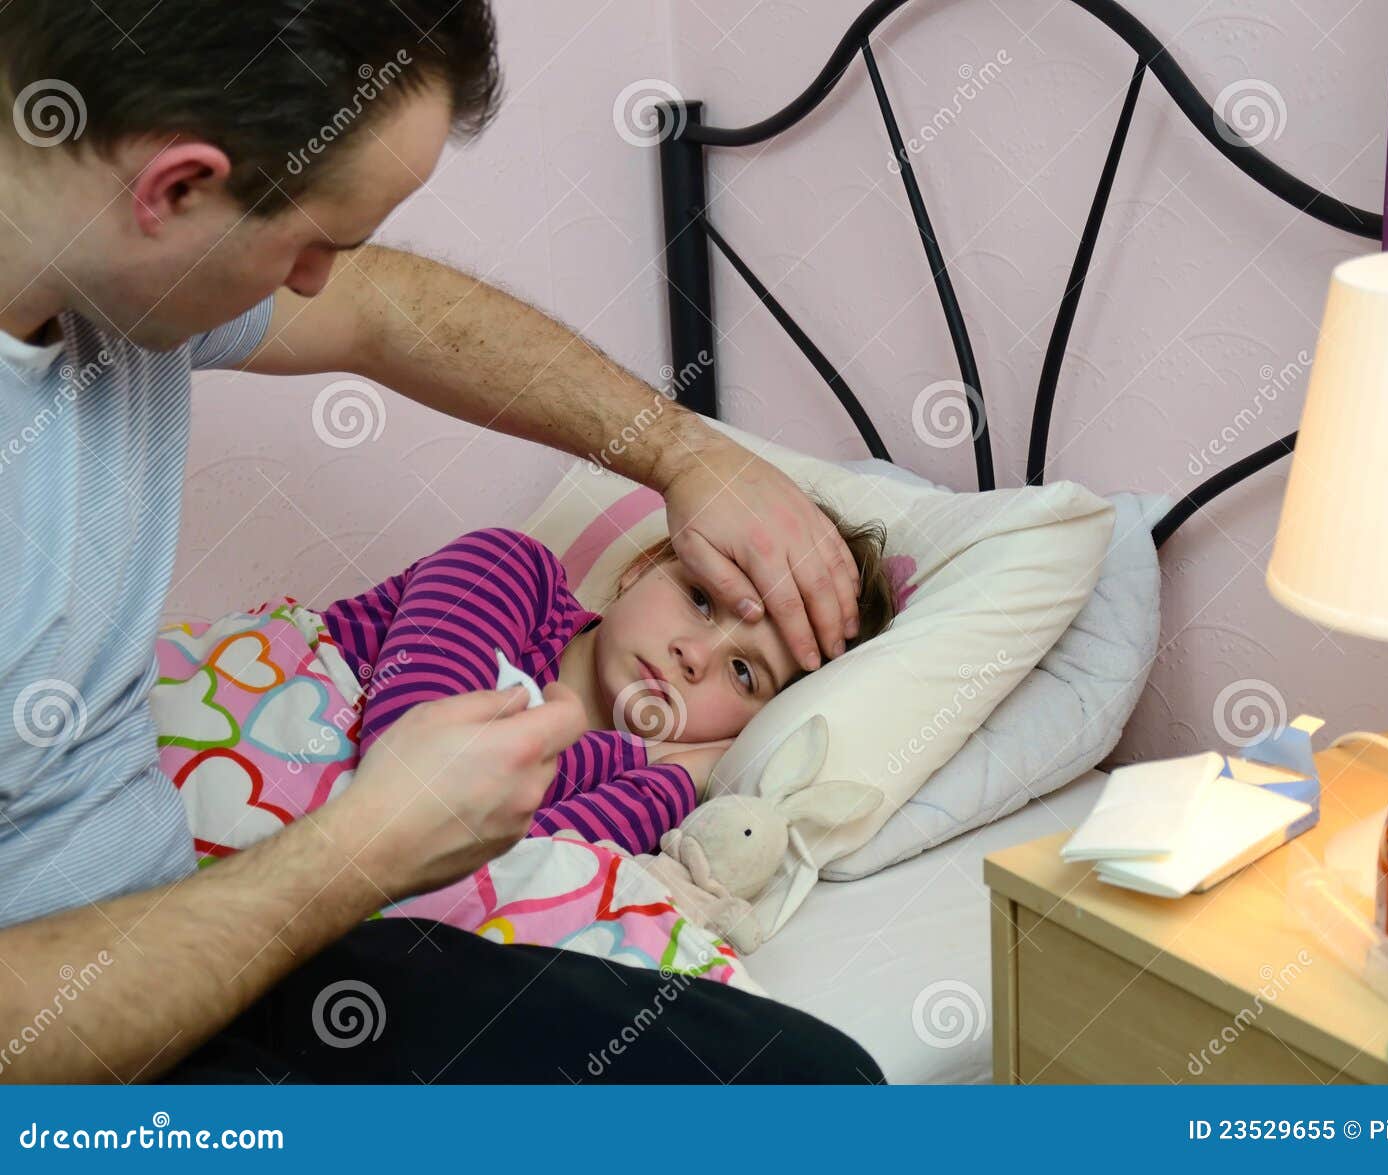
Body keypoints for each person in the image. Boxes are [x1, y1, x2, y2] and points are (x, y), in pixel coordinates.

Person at [0, 1, 877, 1082]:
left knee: (811, 1085)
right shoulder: (501, 581)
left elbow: (388, 312)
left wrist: (683, 451)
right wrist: (362, 849)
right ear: (175, 187)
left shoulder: (112, 270)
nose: (318, 283)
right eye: (313, 243)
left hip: (216, 964)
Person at [318, 514, 897, 854]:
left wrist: (681, 780)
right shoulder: (507, 571)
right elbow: (418, 801)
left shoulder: (654, 799)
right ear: (643, 566)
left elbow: (494, 882)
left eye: (744, 672)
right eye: (701, 599)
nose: (694, 655)